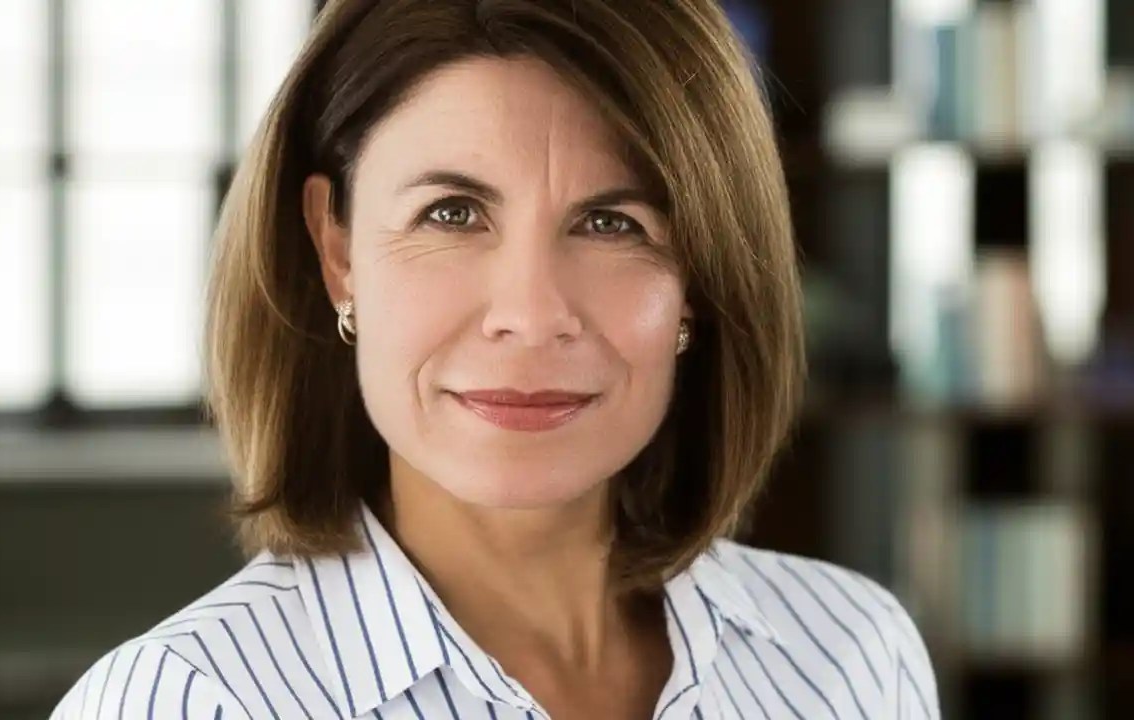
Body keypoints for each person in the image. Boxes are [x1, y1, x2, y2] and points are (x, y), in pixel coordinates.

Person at [50, 0, 941, 718]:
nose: (529, 315)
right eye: (451, 214)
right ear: (338, 250)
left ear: (700, 283)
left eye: (610, 224)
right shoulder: (194, 701)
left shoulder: (849, 655)